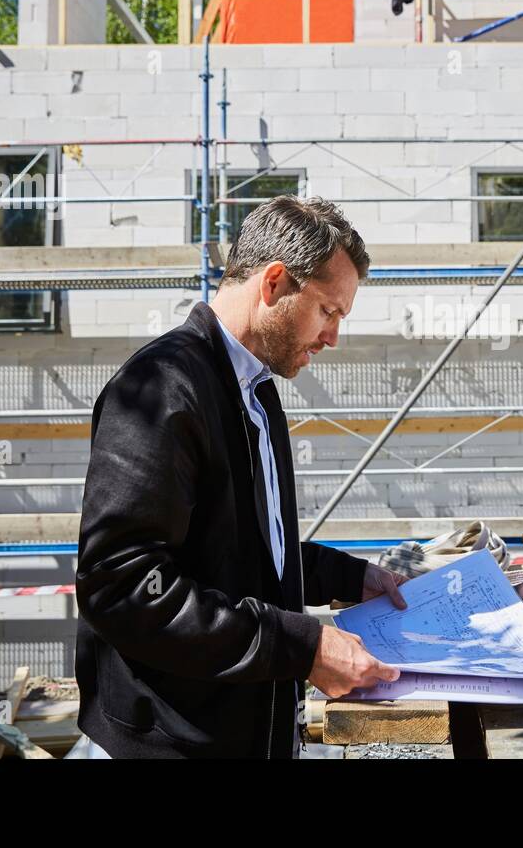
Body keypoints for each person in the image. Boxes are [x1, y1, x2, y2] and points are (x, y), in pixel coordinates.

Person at [74, 195, 407, 758]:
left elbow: (245, 551)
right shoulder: (164, 389)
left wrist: (351, 577)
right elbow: (122, 586)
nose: (332, 339)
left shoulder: (255, 392)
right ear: (275, 283)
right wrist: (302, 648)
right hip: (173, 745)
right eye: (329, 311)